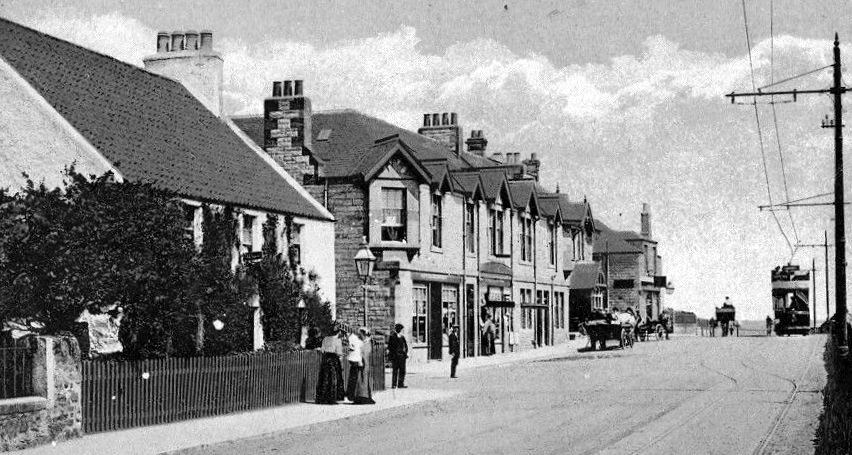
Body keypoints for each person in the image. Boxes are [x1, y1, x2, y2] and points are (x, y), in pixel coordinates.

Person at [315, 325, 345, 404]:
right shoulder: (338, 340)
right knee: (333, 378)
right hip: (333, 359)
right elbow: (339, 352)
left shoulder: (325, 339)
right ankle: (332, 398)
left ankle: (322, 398)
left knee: (324, 378)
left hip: (325, 359)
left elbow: (322, 350)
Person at [353, 328, 375, 404]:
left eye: (361, 334)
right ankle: (360, 397)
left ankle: (366, 396)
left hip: (366, 363)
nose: (360, 336)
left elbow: (366, 353)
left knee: (365, 380)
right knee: (360, 380)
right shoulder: (361, 342)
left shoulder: (367, 342)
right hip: (361, 363)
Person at [387, 323, 408, 389]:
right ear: (396, 329)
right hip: (395, 356)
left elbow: (405, 345)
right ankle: (394, 384)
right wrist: (391, 355)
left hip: (402, 356)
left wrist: (405, 353)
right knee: (395, 370)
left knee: (402, 370)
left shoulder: (402, 337)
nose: (400, 330)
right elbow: (390, 347)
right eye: (399, 329)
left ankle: (400, 384)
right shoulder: (392, 336)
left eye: (400, 329)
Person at [346, 329, 364, 402]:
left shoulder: (353, 339)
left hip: (354, 359)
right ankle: (352, 395)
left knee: (353, 378)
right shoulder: (357, 340)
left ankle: (351, 395)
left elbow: (353, 349)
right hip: (356, 360)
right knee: (354, 378)